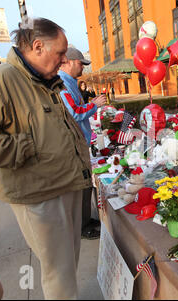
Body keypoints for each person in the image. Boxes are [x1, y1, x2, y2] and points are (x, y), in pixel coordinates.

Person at [0, 18, 92, 300]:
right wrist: (27, 146)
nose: (63, 60)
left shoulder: (45, 80)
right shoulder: (1, 80)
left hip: (63, 184)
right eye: (60, 52)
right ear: (37, 46)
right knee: (59, 271)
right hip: (39, 194)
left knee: (67, 267)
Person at [58, 47, 107, 240]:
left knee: (86, 185)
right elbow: (74, 111)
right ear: (68, 62)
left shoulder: (70, 82)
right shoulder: (63, 84)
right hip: (74, 146)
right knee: (81, 186)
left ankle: (85, 220)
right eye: (80, 63)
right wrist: (95, 105)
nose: (83, 68)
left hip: (80, 142)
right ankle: (82, 226)